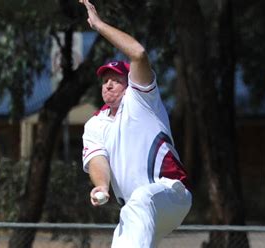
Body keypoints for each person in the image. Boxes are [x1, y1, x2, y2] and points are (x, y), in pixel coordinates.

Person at [79, 0, 192, 247]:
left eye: (115, 79)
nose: (108, 84)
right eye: (104, 80)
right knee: (129, 224)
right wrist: (101, 186)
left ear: (129, 83)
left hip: (171, 193)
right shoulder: (94, 125)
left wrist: (98, 25)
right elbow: (97, 160)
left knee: (140, 201)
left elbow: (138, 53)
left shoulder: (141, 99)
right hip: (136, 210)